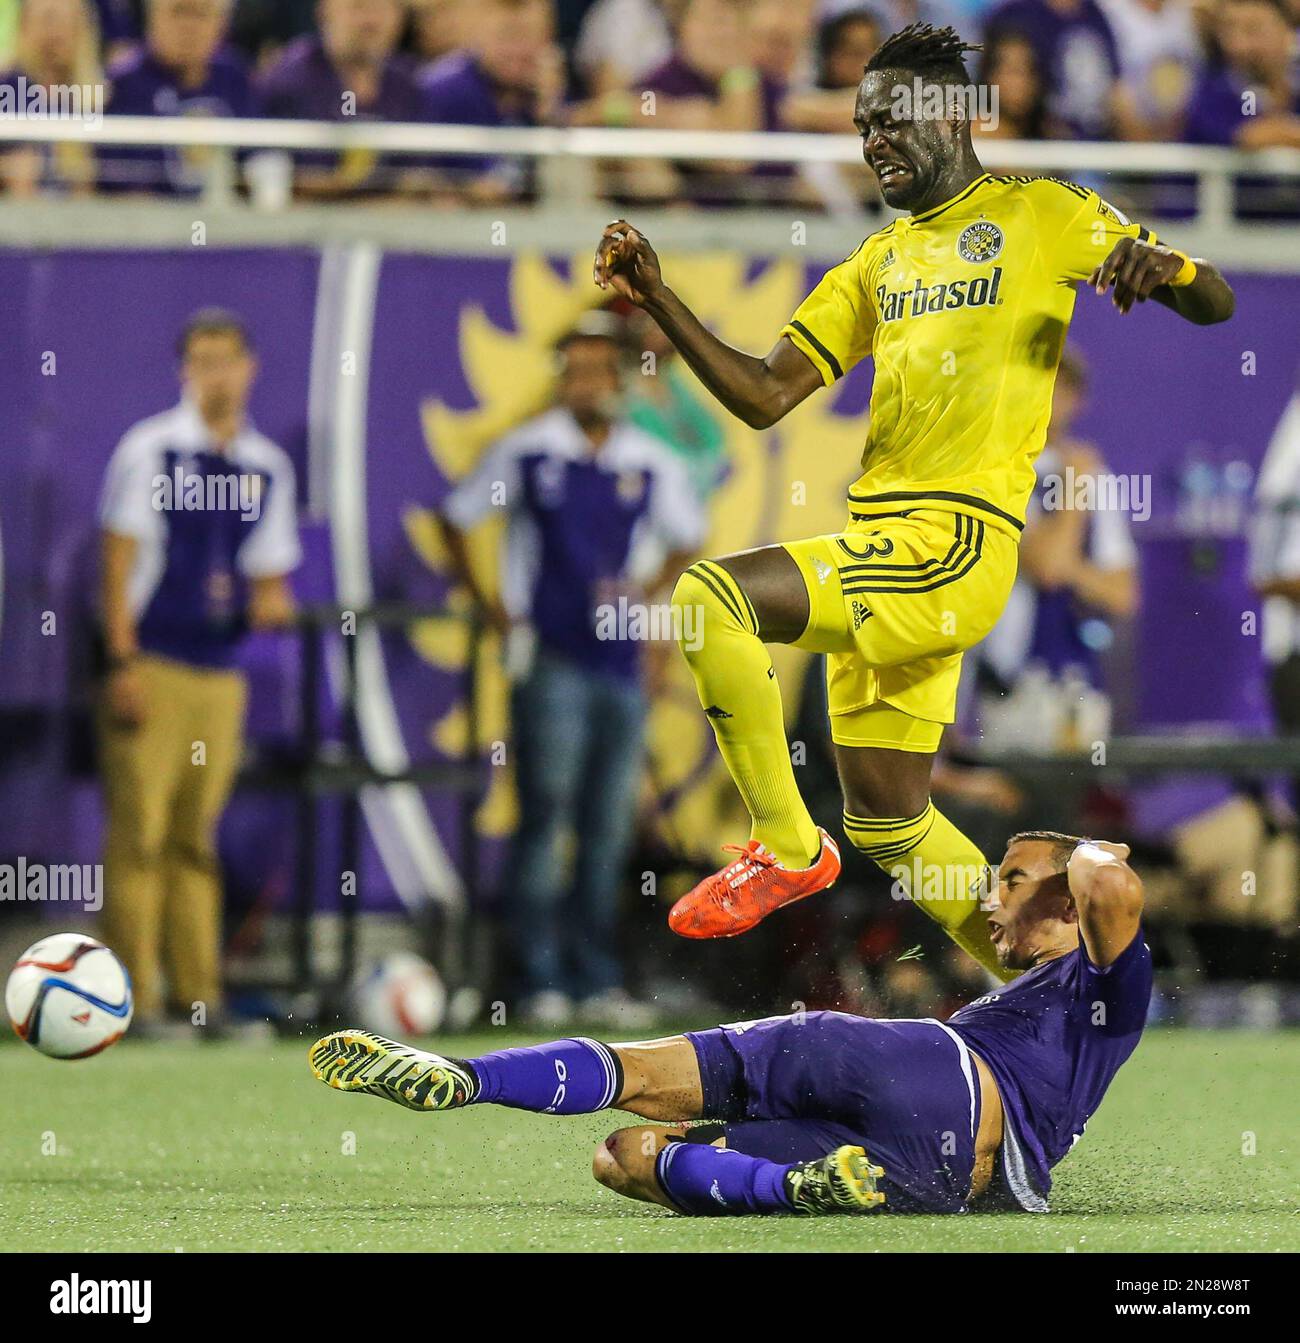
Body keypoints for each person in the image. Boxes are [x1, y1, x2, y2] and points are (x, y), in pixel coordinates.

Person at [590, 23, 1234, 971]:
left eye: (891, 119)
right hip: (890, 549)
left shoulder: (1040, 213)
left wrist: (1167, 270)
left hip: (954, 542)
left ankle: (785, 846)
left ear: (959, 116)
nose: (873, 140)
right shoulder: (877, 262)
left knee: (710, 596)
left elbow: (1213, 296)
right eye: (862, 125)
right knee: (892, 823)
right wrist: (659, 297)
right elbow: (765, 395)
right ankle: (1045, 984)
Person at [310, 834, 1150, 1217]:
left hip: (906, 1063)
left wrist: (1090, 851)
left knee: (641, 1078)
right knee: (626, 1159)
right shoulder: (1062, 1001)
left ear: (1070, 903)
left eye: (1010, 879)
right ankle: (794, 1188)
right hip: (935, 1169)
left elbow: (1113, 887)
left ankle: (471, 1077)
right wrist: (1061, 868)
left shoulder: (1110, 979)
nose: (988, 897)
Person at [437, 313, 705, 1028]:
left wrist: (647, 603)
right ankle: (538, 976)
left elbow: (688, 537)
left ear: (618, 377)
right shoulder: (527, 452)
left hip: (619, 663)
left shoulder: (649, 459)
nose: (585, 381)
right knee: (547, 814)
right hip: (552, 657)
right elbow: (459, 517)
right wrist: (501, 614)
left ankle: (593, 974)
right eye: (574, 367)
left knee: (608, 827)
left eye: (598, 367)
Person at [97, 309, 301, 1035]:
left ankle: (198, 997)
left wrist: (270, 602)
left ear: (249, 367)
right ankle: (130, 999)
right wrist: (119, 660)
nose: (216, 373)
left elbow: (270, 578)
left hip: (221, 673)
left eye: (227, 359)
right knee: (140, 835)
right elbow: (116, 565)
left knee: (194, 837)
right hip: (155, 660)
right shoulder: (153, 450)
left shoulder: (266, 465)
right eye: (202, 360)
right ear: (185, 370)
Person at [258, 0, 431, 200]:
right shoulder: (289, 80)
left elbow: (420, 181)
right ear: (325, 11)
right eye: (358, 7)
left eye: (385, 8)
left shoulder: (408, 85)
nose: (371, 21)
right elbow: (274, 181)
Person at [99, 0, 259, 195]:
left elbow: (258, 162)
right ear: (152, 17)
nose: (189, 26)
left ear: (222, 23)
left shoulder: (234, 78)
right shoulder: (122, 85)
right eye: (179, 11)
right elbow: (115, 185)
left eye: (201, 14)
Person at [0, 0, 101, 197]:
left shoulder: (97, 95)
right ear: (25, 26)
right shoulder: (7, 87)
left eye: (65, 22)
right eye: (48, 19)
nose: (55, 32)